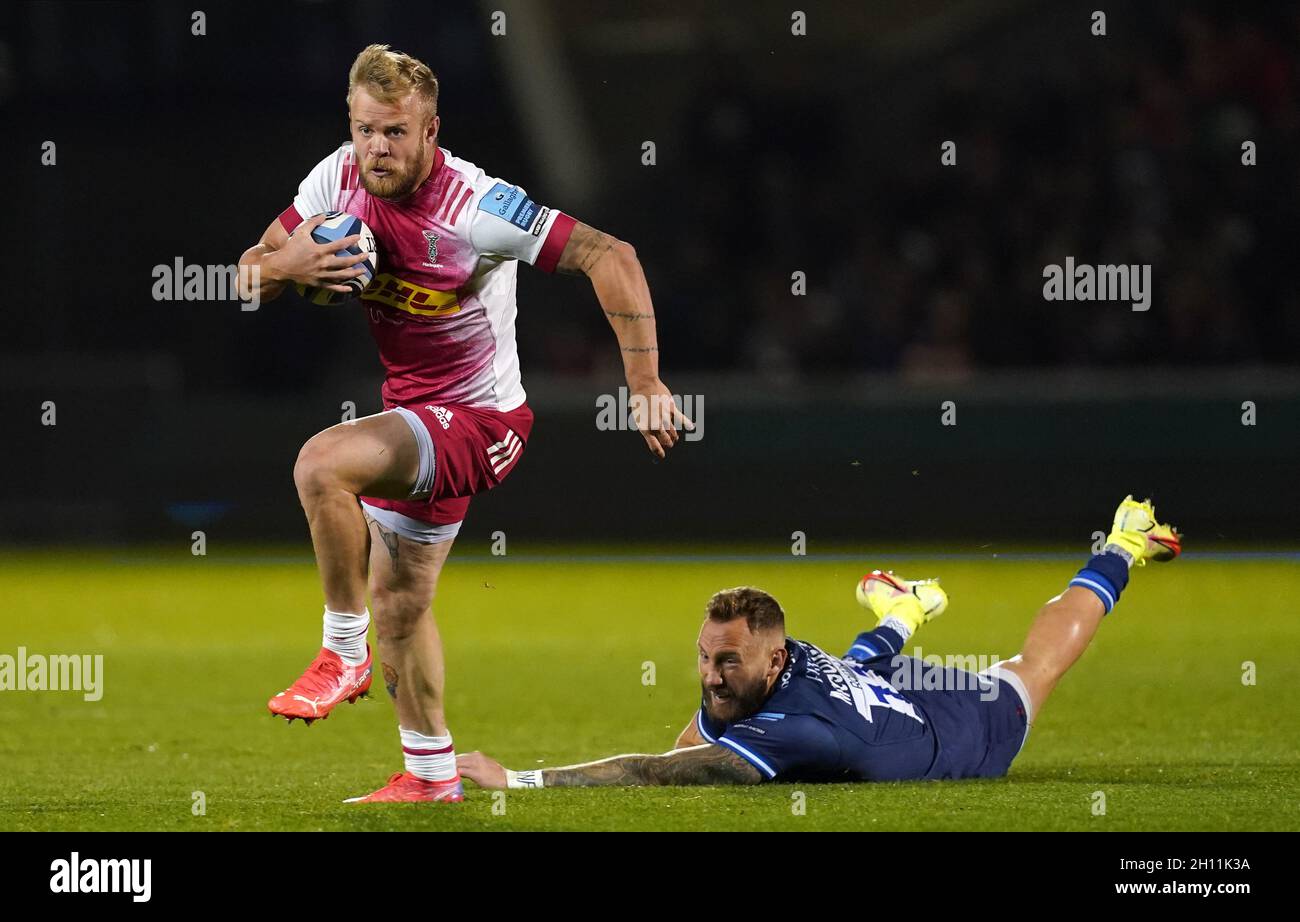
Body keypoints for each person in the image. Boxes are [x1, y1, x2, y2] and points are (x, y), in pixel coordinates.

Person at [236, 44, 691, 803]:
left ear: (431, 130)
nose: (377, 148)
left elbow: (611, 255)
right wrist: (286, 267)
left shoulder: (477, 206)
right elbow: (248, 273)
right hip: (413, 413)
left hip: (482, 422)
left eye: (395, 132)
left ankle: (341, 651)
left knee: (321, 464)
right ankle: (431, 775)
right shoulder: (334, 180)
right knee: (400, 604)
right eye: (364, 129)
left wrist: (642, 382)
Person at [456, 496, 1180, 789]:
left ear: (774, 658)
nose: (711, 674)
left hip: (958, 726)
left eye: (726, 660)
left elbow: (657, 771)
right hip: (875, 693)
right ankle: (902, 611)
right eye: (705, 656)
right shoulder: (775, 663)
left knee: (1035, 665)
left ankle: (1123, 542)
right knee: (859, 665)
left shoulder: (794, 728)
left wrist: (520, 780)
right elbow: (689, 747)